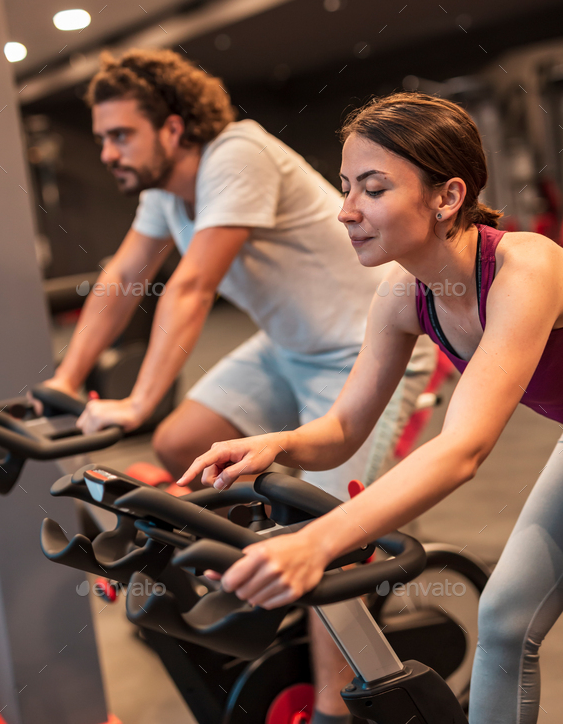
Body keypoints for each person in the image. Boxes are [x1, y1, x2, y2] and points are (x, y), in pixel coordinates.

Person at [39, 50, 435, 724]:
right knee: (181, 443)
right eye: (101, 137)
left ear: (172, 128)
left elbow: (192, 284)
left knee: (326, 541)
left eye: (120, 134)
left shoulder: (237, 154)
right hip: (287, 347)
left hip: (364, 347)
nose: (106, 151)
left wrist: (138, 399)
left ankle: (334, 707)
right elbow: (124, 276)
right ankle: (263, 581)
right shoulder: (165, 191)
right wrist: (66, 379)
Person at [179, 91, 563, 724]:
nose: (346, 210)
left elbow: (463, 449)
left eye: (374, 189)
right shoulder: (402, 295)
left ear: (447, 196)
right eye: (346, 187)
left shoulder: (526, 266)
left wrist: (317, 543)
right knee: (503, 620)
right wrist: (277, 443)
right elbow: (343, 427)